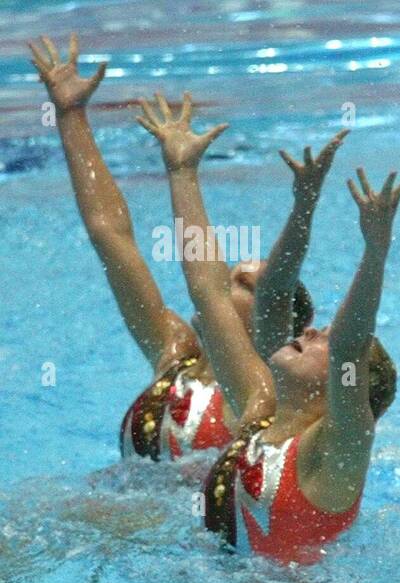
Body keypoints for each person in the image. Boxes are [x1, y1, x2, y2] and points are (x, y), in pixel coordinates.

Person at [30, 34, 336, 461]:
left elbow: (252, 287)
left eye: (248, 286)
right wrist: (71, 115)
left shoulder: (263, 390)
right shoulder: (173, 351)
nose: (232, 276)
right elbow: (111, 238)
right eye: (234, 274)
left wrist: (304, 207)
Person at [136, 93, 400, 563]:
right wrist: (182, 172)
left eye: (326, 339)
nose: (312, 333)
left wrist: (375, 252)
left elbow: (348, 345)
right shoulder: (257, 408)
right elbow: (209, 292)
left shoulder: (334, 455)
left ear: (347, 386)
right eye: (319, 331)